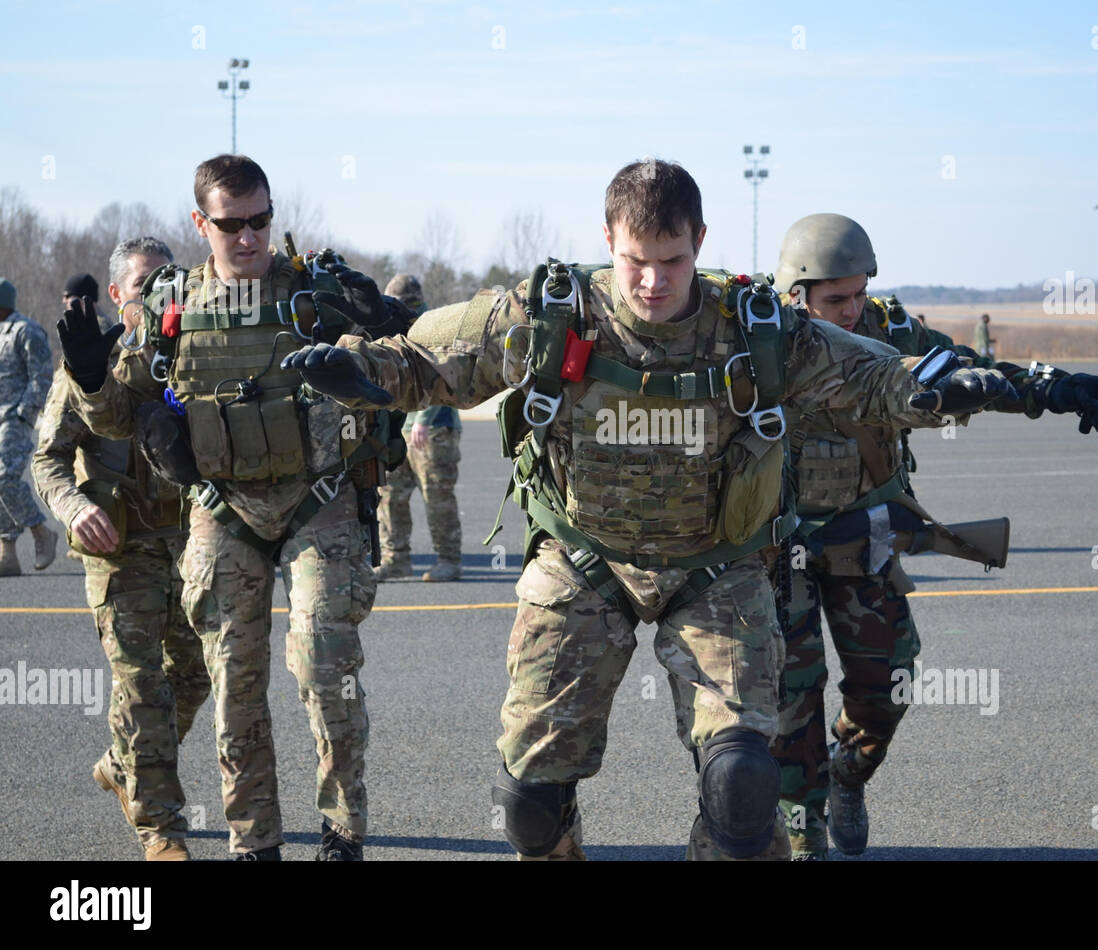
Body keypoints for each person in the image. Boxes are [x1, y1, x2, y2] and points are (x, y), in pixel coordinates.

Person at [282, 160, 1017, 861]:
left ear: (699, 241)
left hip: (716, 567)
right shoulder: (551, 314)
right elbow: (425, 362)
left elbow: (875, 377)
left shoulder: (754, 326)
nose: (653, 280)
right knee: (529, 804)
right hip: (583, 559)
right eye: (637, 259)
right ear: (608, 240)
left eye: (672, 260)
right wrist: (358, 370)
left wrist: (980, 390)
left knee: (743, 791)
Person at [57, 154, 408, 860]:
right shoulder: (169, 306)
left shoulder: (313, 293)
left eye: (260, 221)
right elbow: (119, 414)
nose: (249, 238)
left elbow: (402, 369)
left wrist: (385, 326)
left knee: (321, 660)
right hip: (225, 506)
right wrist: (92, 376)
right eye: (231, 224)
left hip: (318, 499)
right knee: (234, 679)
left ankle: (343, 830)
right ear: (201, 223)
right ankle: (254, 842)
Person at [769, 213, 1098, 859]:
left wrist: (1055, 390)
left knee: (888, 689)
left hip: (863, 539)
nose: (850, 311)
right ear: (797, 295)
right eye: (834, 299)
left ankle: (846, 774)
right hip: (775, 551)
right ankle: (803, 826)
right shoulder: (762, 339)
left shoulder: (889, 329)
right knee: (790, 702)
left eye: (857, 293)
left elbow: (971, 374)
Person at [32, 237, 210, 860]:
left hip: (188, 542)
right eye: (144, 288)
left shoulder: (194, 357)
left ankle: (120, 762)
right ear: (116, 296)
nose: (161, 297)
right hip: (120, 546)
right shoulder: (89, 365)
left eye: (171, 284)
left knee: (193, 677)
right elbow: (46, 460)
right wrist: (75, 509)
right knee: (142, 687)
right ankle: (160, 828)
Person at [374, 273, 463, 582]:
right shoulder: (396, 329)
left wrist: (423, 419)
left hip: (434, 427)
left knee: (437, 495)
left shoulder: (433, 328)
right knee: (390, 495)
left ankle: (449, 559)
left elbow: (445, 375)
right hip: (401, 428)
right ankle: (396, 559)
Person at [0, 276, 57, 576]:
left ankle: (41, 532)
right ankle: (7, 554)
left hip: (14, 418)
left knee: (5, 479)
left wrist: (24, 413)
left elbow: (42, 376)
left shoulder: (26, 331)